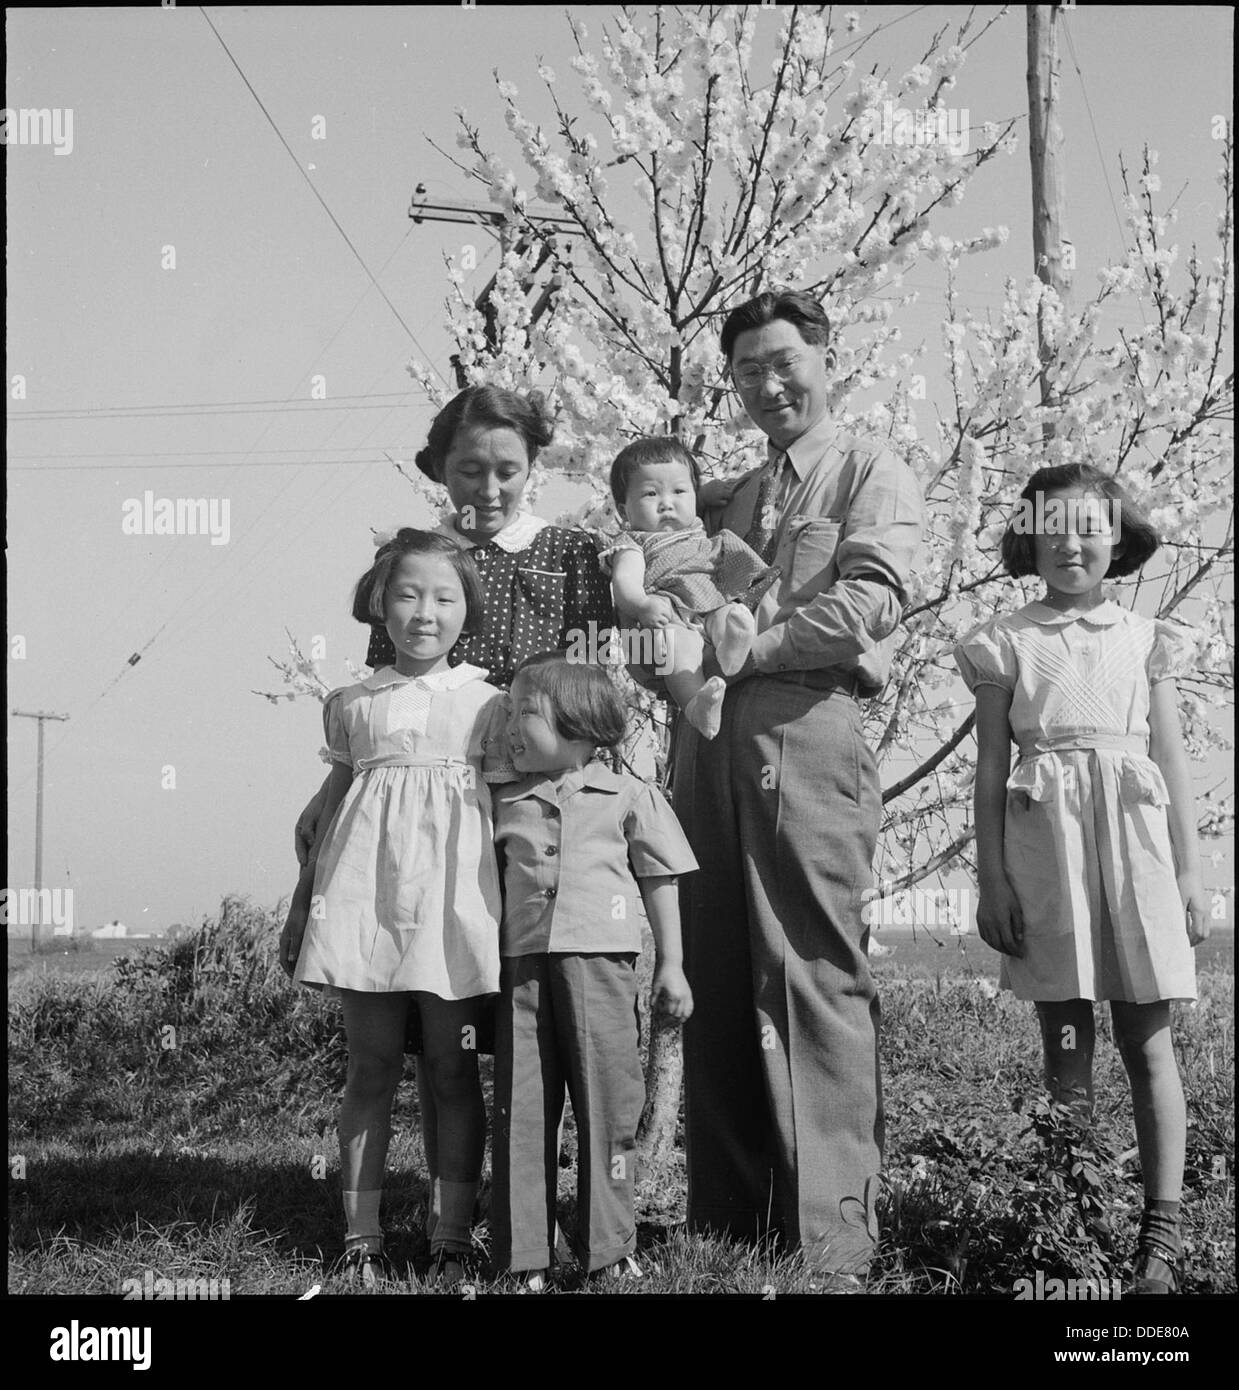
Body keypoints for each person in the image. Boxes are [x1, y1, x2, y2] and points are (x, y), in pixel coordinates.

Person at [292, 385, 615, 1253]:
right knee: (410, 1055)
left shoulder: (568, 556)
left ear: (532, 470)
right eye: (468, 467)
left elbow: (593, 702)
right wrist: (319, 828)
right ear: (439, 470)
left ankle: (528, 1224)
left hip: (519, 831)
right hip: (397, 855)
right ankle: (429, 1224)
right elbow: (368, 738)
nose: (488, 484)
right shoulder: (414, 571)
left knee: (513, 1046)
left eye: (507, 468)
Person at [671, 288, 925, 1284]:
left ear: (826, 358)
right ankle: (731, 1226)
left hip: (810, 726)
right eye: (747, 372)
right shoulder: (733, 496)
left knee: (812, 970)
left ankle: (833, 1240)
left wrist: (758, 645)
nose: (770, 384)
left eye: (786, 362)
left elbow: (872, 601)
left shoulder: (871, 468)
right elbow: (651, 520)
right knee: (718, 977)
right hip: (708, 742)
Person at [954, 464, 1208, 1296]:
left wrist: (1188, 872)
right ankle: (1070, 1225)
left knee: (1146, 1041)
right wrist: (991, 880)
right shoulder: (1004, 639)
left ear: (1115, 534)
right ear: (1029, 538)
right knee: (1066, 1044)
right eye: (1051, 526)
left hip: (1134, 848)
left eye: (1088, 524)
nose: (1071, 541)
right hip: (1045, 846)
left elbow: (1168, 759)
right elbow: (990, 769)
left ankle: (1158, 1240)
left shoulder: (1146, 638)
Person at [279, 529, 512, 1286]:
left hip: (455, 907)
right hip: (362, 902)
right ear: (380, 601)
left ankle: (452, 1232)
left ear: (466, 609)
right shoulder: (351, 705)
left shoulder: (490, 704)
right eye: (408, 594)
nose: (424, 613)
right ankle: (362, 1235)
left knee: (453, 1069)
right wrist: (300, 906)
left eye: (444, 597)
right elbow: (326, 820)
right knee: (370, 1066)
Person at [489, 654, 697, 1288]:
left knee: (607, 1108)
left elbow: (659, 878)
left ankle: (609, 1247)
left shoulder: (629, 796)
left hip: (602, 967)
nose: (511, 726)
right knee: (522, 1110)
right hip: (520, 970)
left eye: (526, 711)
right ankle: (524, 1256)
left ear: (578, 723)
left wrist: (674, 965)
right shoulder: (500, 800)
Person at [604, 436, 779, 739]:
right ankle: (697, 705)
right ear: (623, 511)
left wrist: (706, 493)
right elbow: (625, 583)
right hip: (670, 614)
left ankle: (732, 648)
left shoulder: (696, 526)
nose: (667, 503)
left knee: (730, 616)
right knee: (677, 652)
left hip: (710, 599)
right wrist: (642, 606)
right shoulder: (634, 542)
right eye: (650, 493)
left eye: (679, 491)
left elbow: (694, 498)